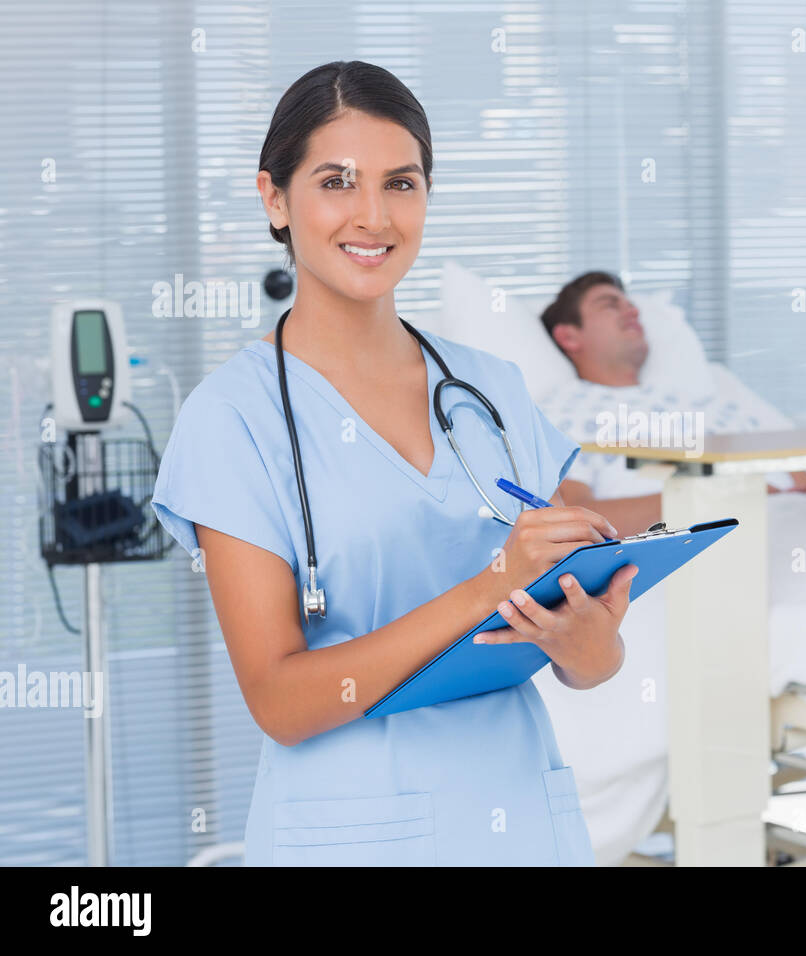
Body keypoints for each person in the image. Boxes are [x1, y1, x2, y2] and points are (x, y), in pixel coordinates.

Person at [150, 61, 636, 866]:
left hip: (521, 818)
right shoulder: (231, 419)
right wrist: (490, 585)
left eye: (401, 184)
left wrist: (594, 652)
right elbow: (279, 698)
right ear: (275, 198)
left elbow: (575, 645)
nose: (373, 215)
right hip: (350, 834)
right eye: (337, 181)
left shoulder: (492, 389)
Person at [538, 271, 806, 530]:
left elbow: (799, 479)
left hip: (800, 522)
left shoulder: (706, 402)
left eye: (630, 305)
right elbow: (577, 520)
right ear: (569, 336)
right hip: (711, 541)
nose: (632, 311)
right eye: (610, 304)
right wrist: (717, 496)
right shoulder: (566, 412)